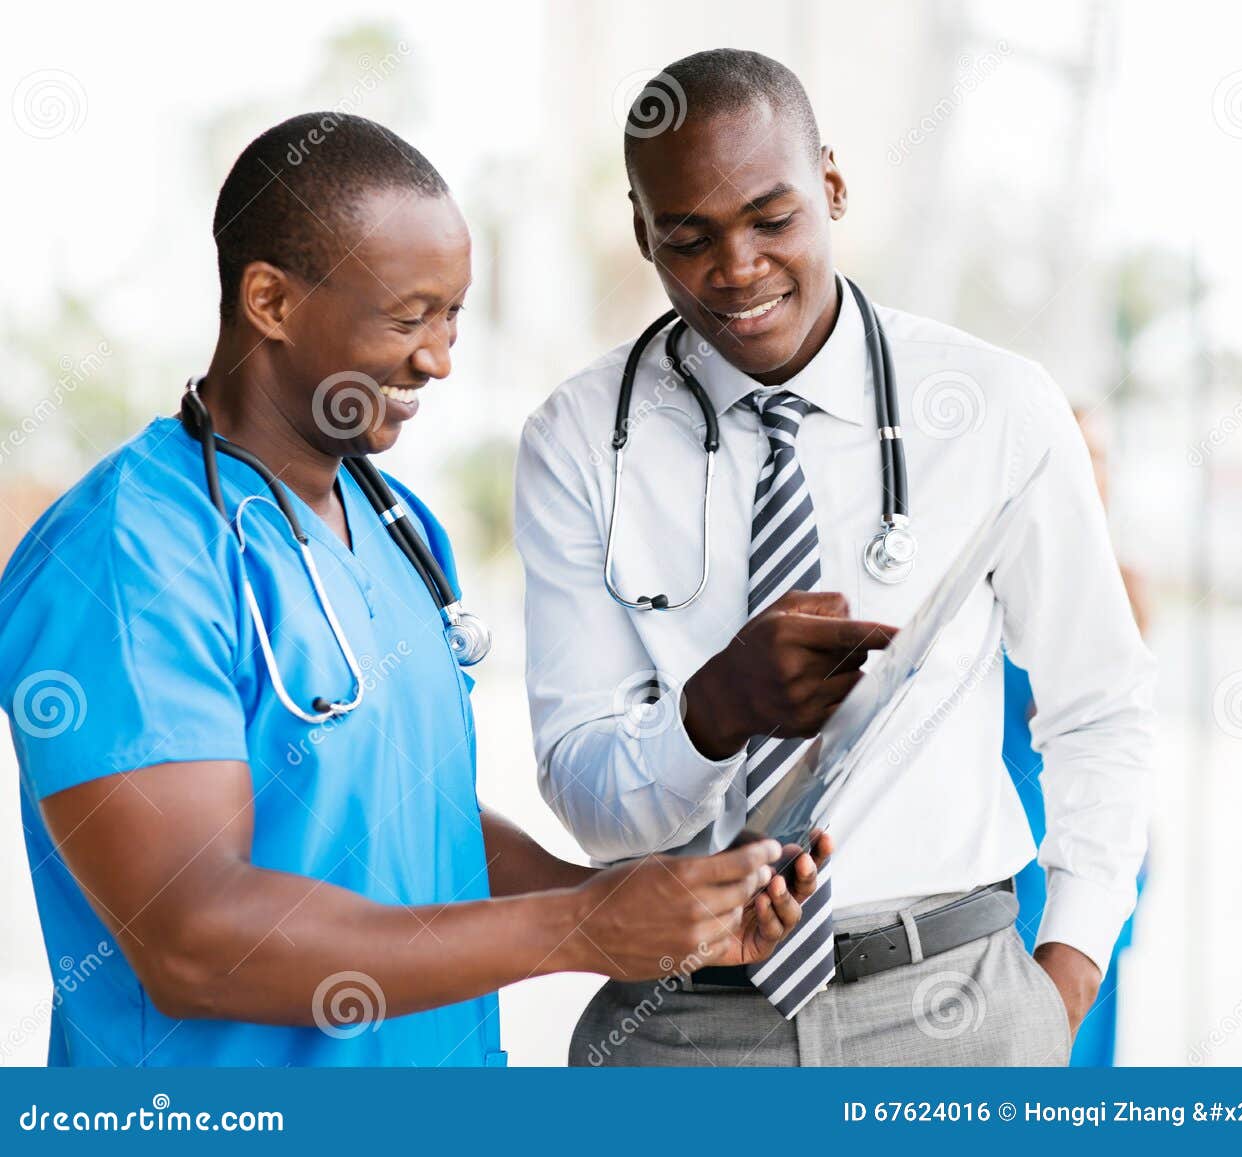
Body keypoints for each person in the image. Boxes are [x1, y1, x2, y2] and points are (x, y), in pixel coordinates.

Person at [0, 112, 819, 1068]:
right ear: (268, 299)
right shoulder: (129, 557)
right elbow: (193, 936)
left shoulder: (396, 526)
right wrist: (578, 924)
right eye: (406, 317)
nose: (438, 358)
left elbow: (418, 825)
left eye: (453, 315)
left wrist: (650, 908)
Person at [515, 50, 1154, 1067]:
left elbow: (1098, 707)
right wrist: (712, 713)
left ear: (833, 185)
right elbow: (587, 799)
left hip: (956, 1002)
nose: (736, 267)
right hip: (683, 1023)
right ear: (644, 234)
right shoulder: (579, 441)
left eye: (772, 218)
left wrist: (1066, 968)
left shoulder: (993, 406)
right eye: (689, 237)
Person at [1003, 406, 1148, 1066]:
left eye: (1102, 457)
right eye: (1077, 454)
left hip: (1083, 831)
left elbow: (1101, 715)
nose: (1090, 473)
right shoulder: (1002, 573)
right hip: (1012, 843)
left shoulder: (1124, 588)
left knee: (1083, 1029)